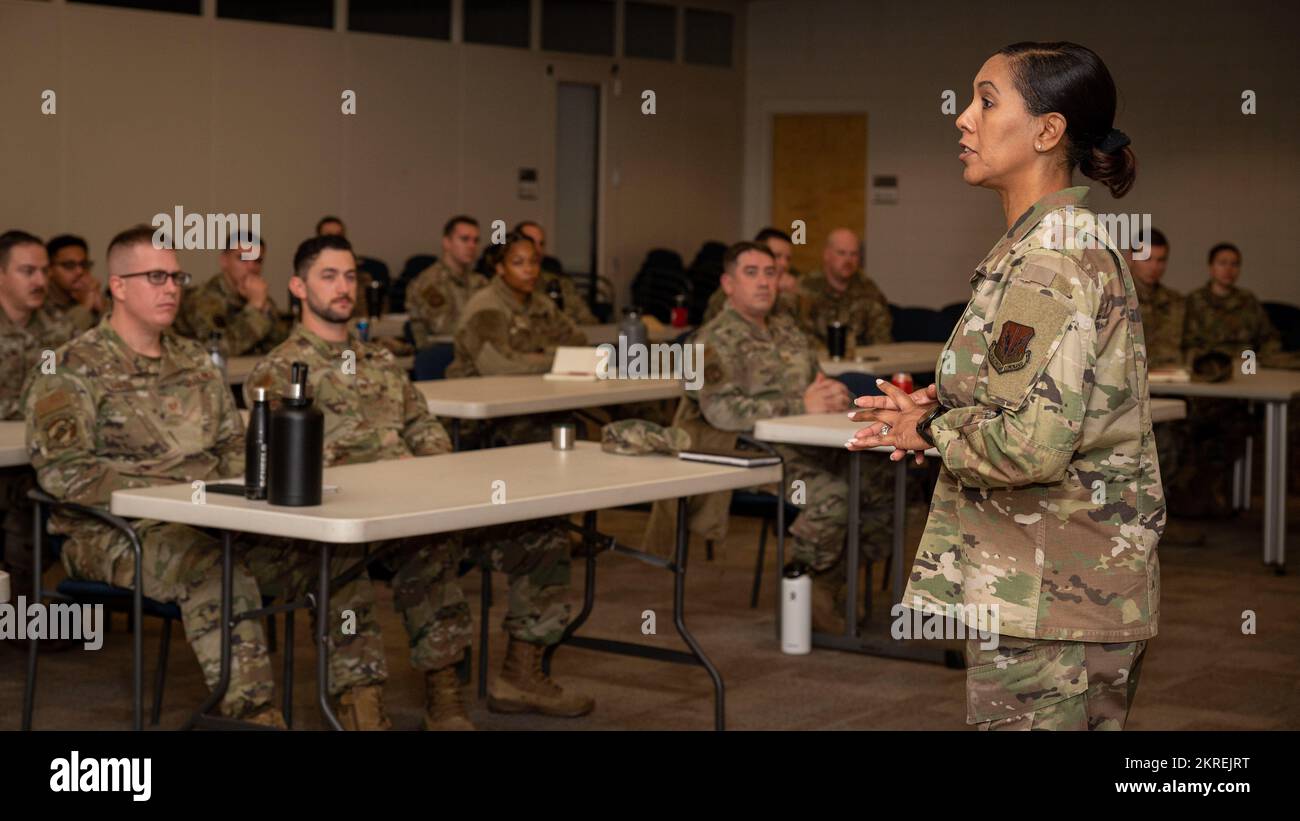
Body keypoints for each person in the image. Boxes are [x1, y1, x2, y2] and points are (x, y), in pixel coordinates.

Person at [850, 42, 1160, 731]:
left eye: (987, 101)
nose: (963, 119)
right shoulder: (1043, 245)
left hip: (1053, 598)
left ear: (1048, 131)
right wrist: (944, 402)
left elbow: (1031, 444)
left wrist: (927, 430)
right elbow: (1042, 394)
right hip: (1052, 585)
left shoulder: (1048, 258)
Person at [24, 225, 385, 727]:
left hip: (213, 516)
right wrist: (169, 497)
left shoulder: (194, 361)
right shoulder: (70, 369)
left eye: (177, 276)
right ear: (119, 286)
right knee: (216, 571)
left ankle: (360, 707)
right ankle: (254, 716)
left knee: (335, 562)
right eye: (156, 277)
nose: (172, 287)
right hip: (113, 532)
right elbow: (66, 474)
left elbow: (232, 448)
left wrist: (259, 491)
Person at [247, 234, 473, 730]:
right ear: (298, 288)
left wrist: (435, 472)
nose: (343, 287)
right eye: (328, 276)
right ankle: (361, 707)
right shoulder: (279, 371)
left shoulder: (381, 362)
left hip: (399, 511)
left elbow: (422, 426)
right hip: (328, 521)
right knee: (343, 572)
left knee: (432, 549)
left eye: (350, 276)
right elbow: (290, 463)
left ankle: (445, 695)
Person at [669, 241, 895, 632]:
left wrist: (832, 393)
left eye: (770, 273)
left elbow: (814, 384)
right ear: (728, 283)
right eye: (751, 273)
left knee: (882, 482)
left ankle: (835, 576)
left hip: (807, 443)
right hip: (753, 453)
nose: (763, 282)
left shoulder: (789, 332)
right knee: (832, 495)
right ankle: (806, 578)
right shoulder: (708, 342)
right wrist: (800, 402)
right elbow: (720, 412)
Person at [1173, 243, 1300, 516]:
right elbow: (1185, 345)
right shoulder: (1194, 302)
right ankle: (1199, 493)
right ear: (1211, 267)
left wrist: (1256, 363)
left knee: (1249, 419)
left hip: (1247, 375)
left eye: (1234, 264)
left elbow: (1266, 341)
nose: (1229, 270)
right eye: (1223, 263)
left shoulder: (1248, 302)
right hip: (1206, 382)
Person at [0, 231, 76, 615]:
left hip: (32, 455)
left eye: (44, 271)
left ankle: (25, 608)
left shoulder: (57, 328)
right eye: (27, 271)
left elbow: (67, 390)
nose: (40, 281)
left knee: (36, 493)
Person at [175, 234, 291, 357]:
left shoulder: (258, 296)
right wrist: (256, 308)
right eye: (243, 259)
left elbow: (281, 347)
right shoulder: (201, 299)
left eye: (257, 261)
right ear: (224, 261)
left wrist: (265, 308)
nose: (251, 267)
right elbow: (218, 351)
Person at [798, 228, 893, 349]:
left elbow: (881, 337)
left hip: (860, 361)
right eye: (841, 253)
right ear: (827, 255)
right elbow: (800, 336)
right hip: (818, 361)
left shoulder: (868, 288)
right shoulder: (806, 287)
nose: (848, 260)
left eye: (853, 254)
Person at [407, 216, 487, 348]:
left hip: (475, 352)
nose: (472, 246)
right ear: (446, 243)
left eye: (476, 241)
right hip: (444, 355)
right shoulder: (430, 282)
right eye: (465, 239)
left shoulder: (479, 281)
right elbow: (443, 328)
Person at [702, 227, 799, 323]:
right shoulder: (732, 292)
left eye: (788, 259)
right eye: (777, 256)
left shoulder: (793, 284)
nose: (784, 264)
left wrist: (794, 297)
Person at [514, 221, 600, 326]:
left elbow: (589, 321)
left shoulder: (560, 283)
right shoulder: (505, 287)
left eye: (541, 244)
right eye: (531, 242)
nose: (538, 250)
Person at [45, 234, 107, 333]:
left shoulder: (93, 296)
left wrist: (102, 309)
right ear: (49, 270)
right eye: (69, 265)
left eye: (84, 265)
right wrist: (85, 307)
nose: (80, 271)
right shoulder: (39, 304)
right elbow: (59, 344)